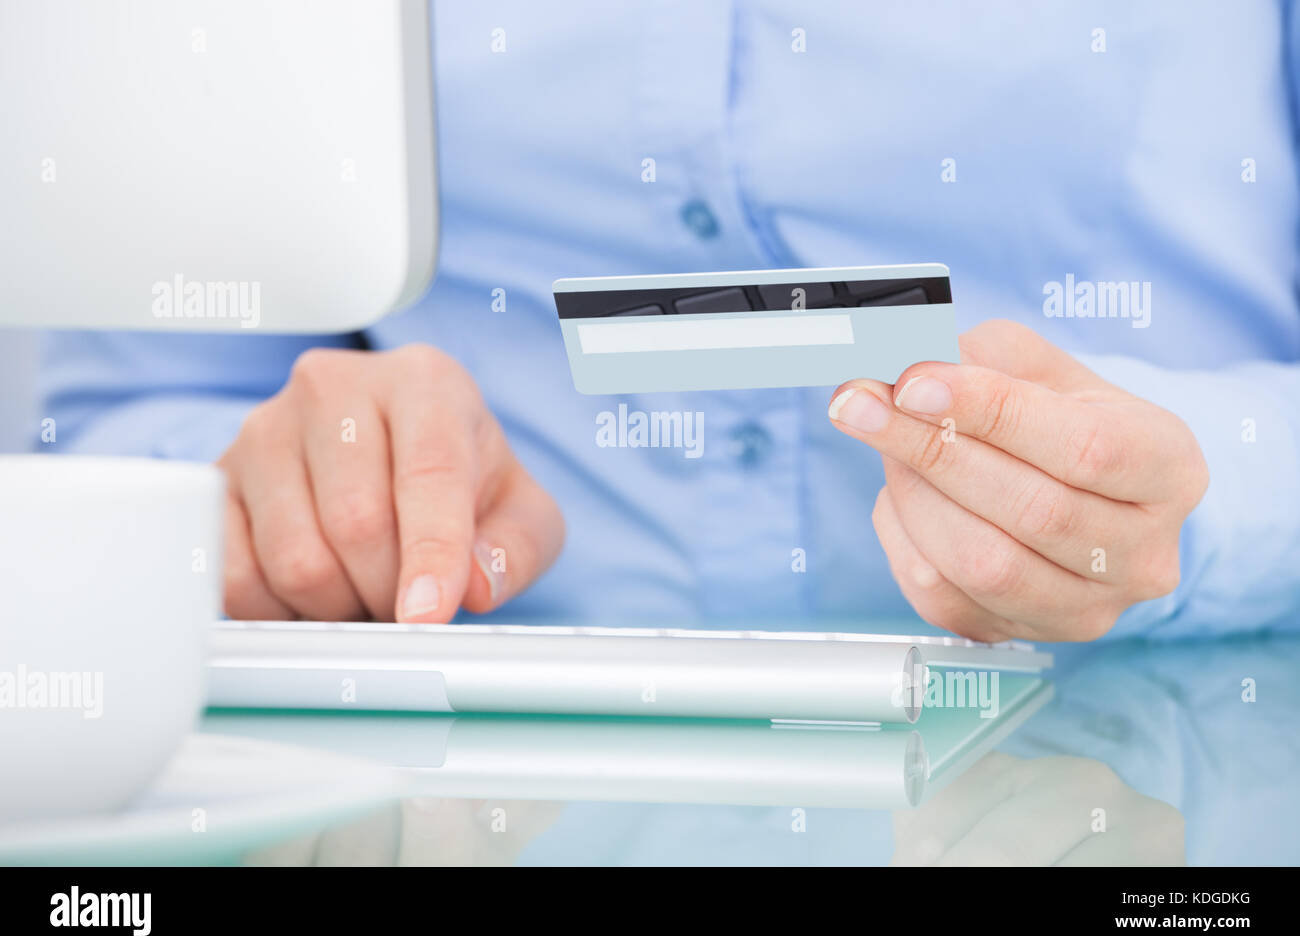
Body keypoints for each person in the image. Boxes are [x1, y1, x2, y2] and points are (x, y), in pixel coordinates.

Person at [39, 2, 1300, 642]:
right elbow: (105, 423)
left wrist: (1208, 504)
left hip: (1148, 769)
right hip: (479, 793)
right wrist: (287, 497)